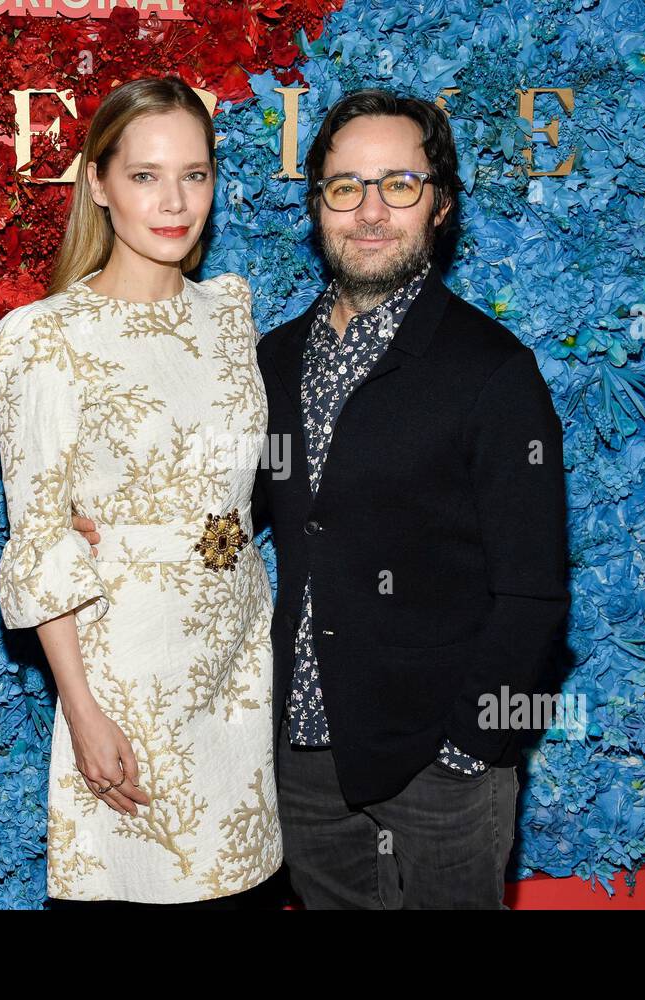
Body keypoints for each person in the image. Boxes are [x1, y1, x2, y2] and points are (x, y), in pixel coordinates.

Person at [78, 87, 571, 909]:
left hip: (439, 771)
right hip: (302, 763)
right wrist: (122, 526)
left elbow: (536, 594)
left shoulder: (492, 371)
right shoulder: (269, 361)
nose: (371, 211)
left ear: (440, 205)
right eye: (346, 187)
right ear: (317, 207)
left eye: (399, 185)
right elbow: (228, 514)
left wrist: (471, 749)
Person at [0, 76, 281, 908]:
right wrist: (82, 710)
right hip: (126, 673)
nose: (175, 200)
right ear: (98, 183)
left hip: (239, 665)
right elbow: (41, 539)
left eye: (196, 173)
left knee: (244, 890)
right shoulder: (43, 338)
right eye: (146, 175)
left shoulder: (228, 312)